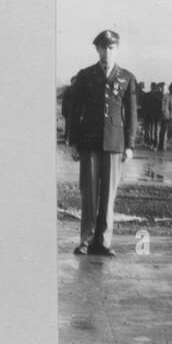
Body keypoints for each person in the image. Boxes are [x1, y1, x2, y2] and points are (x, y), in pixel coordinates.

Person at [62, 30, 137, 255]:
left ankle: (103, 242)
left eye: (111, 48)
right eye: (103, 48)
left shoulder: (127, 77)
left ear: (117, 49)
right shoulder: (85, 75)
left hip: (115, 142)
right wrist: (73, 141)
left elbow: (131, 114)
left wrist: (130, 145)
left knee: (108, 194)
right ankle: (86, 240)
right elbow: (75, 111)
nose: (107, 52)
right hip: (89, 141)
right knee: (89, 192)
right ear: (97, 49)